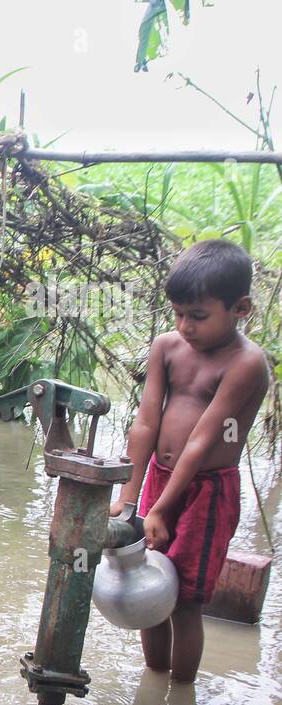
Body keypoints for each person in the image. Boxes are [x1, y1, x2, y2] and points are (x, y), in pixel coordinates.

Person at [111, 239, 269, 682]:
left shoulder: (246, 363)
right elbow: (144, 424)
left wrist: (160, 510)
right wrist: (129, 501)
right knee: (149, 586)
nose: (185, 326)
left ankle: (180, 695)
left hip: (208, 491)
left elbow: (202, 440)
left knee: (184, 600)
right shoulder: (166, 346)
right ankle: (153, 680)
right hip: (161, 478)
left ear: (241, 308)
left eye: (198, 316)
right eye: (178, 313)